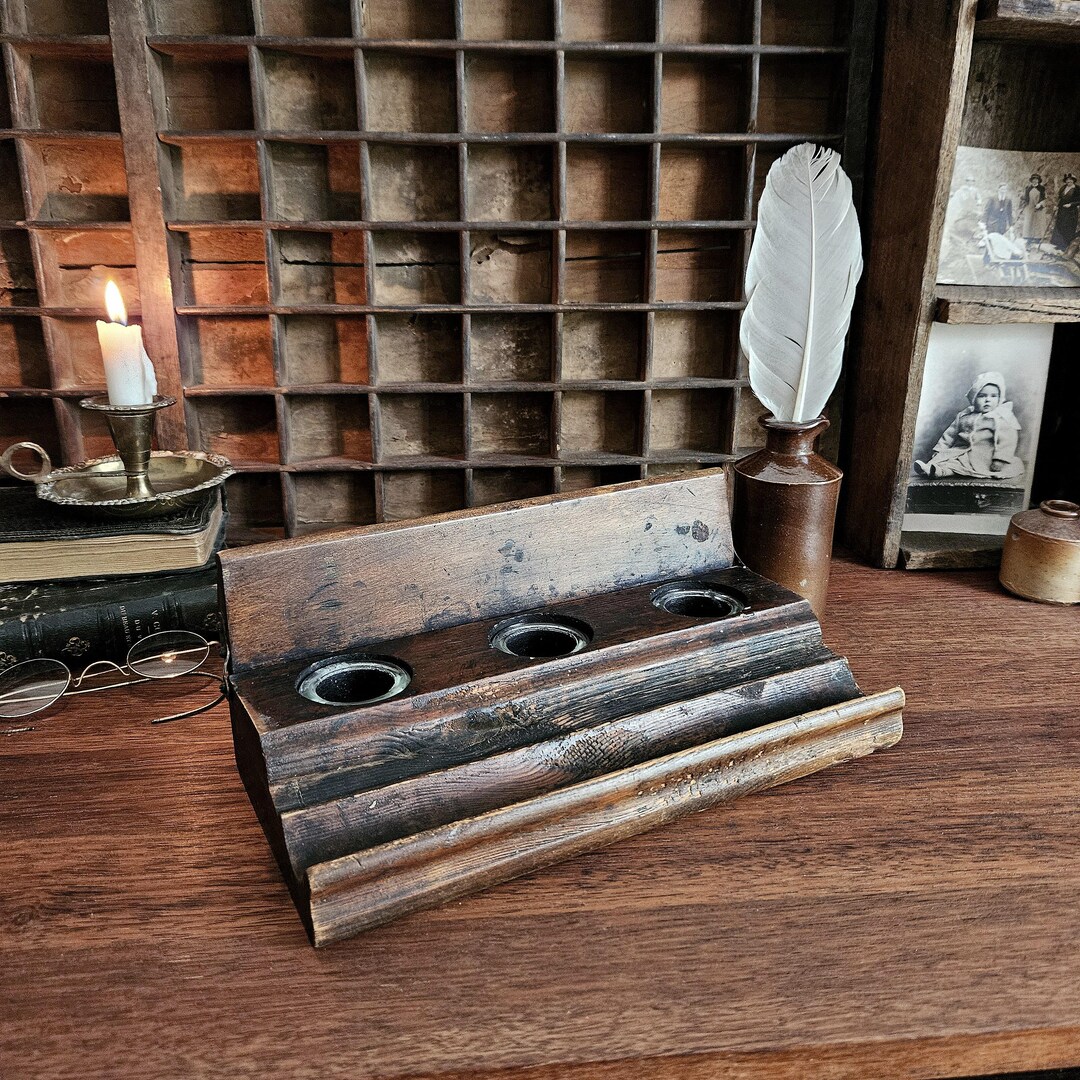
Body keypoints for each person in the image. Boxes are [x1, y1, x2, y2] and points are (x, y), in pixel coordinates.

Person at [914, 371, 1024, 480]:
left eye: (993, 396)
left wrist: (1000, 459)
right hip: (961, 452)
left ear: (1000, 398)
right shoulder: (964, 416)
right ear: (974, 398)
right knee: (951, 462)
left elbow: (1008, 440)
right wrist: (940, 449)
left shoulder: (1000, 418)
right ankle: (933, 470)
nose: (988, 400)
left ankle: (938, 471)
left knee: (959, 466)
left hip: (985, 456)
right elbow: (949, 435)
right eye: (982, 396)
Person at [1019, 173, 1047, 249]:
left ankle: (1037, 239)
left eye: (1036, 179)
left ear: (1038, 180)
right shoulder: (1028, 188)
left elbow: (1045, 199)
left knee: (1038, 223)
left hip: (1038, 209)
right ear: (1031, 181)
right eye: (1033, 180)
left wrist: (1040, 204)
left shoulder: (1042, 188)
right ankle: (1028, 239)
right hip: (1029, 207)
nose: (1035, 181)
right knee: (1029, 223)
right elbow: (1024, 198)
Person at [1051, 173, 1079, 251]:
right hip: (1062, 211)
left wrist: (1070, 204)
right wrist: (1056, 206)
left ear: (1073, 181)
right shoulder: (1063, 188)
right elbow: (1060, 198)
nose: (1069, 181)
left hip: (1071, 212)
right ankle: (1058, 244)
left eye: (1070, 180)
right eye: (1067, 180)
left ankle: (1065, 245)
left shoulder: (1077, 189)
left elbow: (1079, 201)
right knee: (1060, 226)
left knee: (1068, 228)